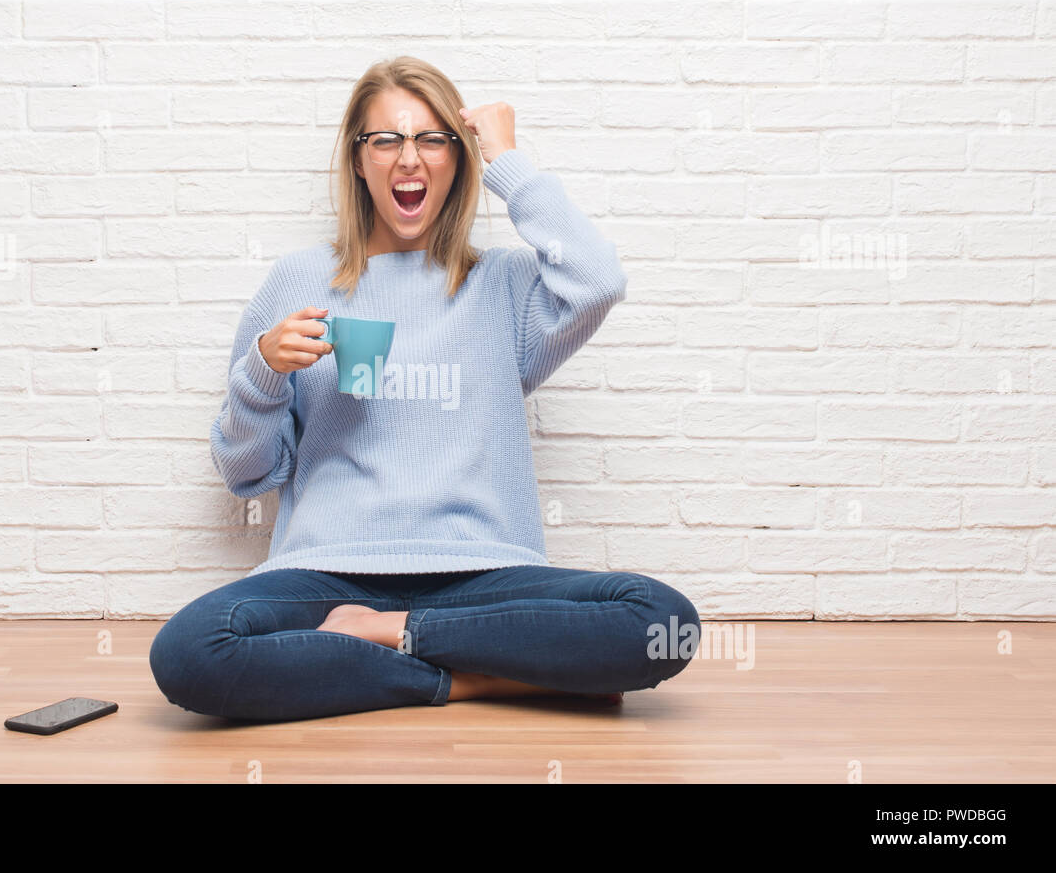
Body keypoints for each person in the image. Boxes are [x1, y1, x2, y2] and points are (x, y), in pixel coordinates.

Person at [150, 56, 701, 722]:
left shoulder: (503, 286)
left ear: (458, 160)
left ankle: (388, 637)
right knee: (189, 653)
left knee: (662, 621)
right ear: (359, 161)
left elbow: (598, 279)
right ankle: (484, 681)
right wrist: (263, 372)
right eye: (386, 140)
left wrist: (508, 159)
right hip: (328, 571)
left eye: (432, 140)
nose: (408, 159)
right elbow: (245, 474)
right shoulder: (298, 280)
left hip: (484, 571)